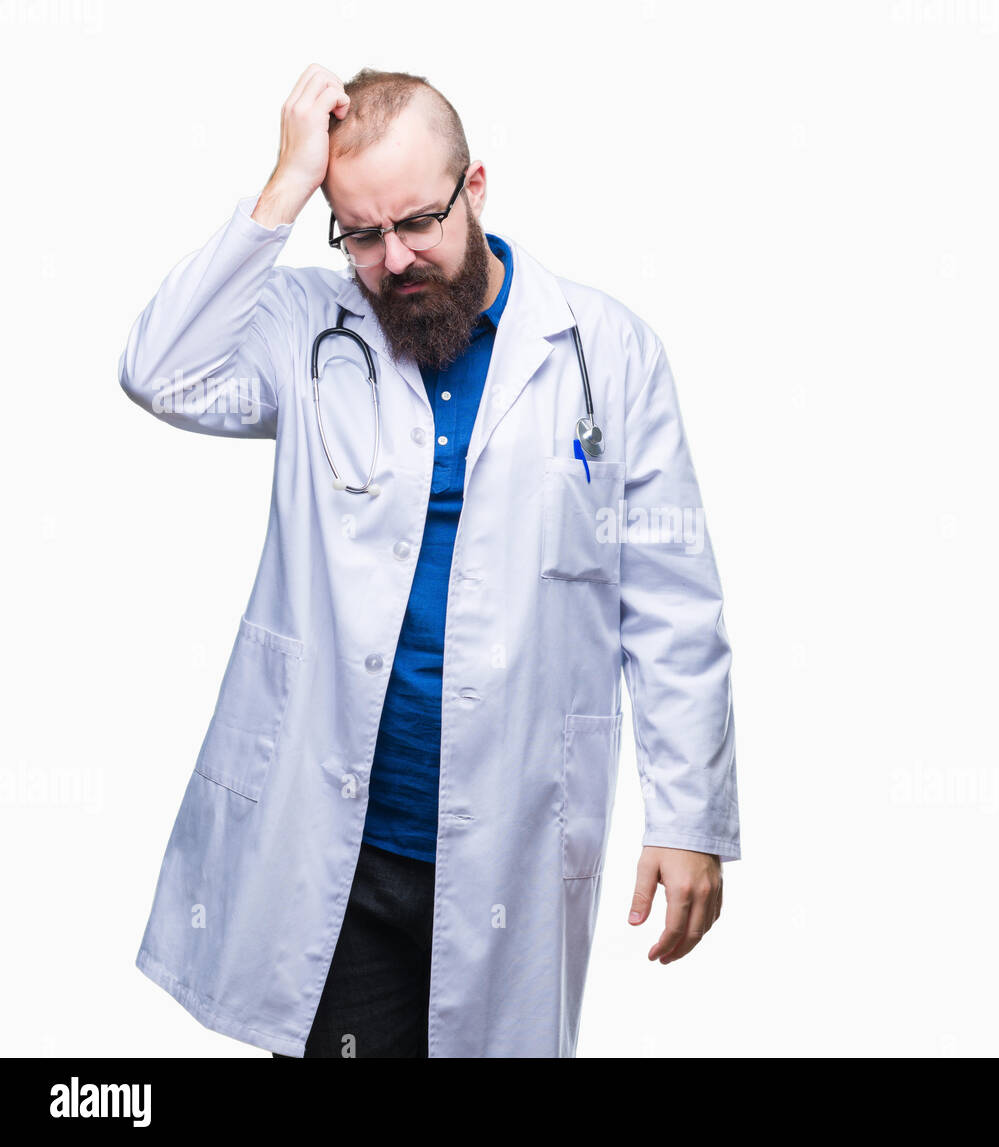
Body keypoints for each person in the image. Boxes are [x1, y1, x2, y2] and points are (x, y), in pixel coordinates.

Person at [120, 64, 740, 1058]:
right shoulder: (303, 328)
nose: (394, 257)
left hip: (511, 836)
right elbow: (161, 371)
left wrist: (689, 817)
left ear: (477, 188)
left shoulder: (605, 351)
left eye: (417, 221)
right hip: (340, 844)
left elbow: (670, 602)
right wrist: (283, 185)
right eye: (359, 232)